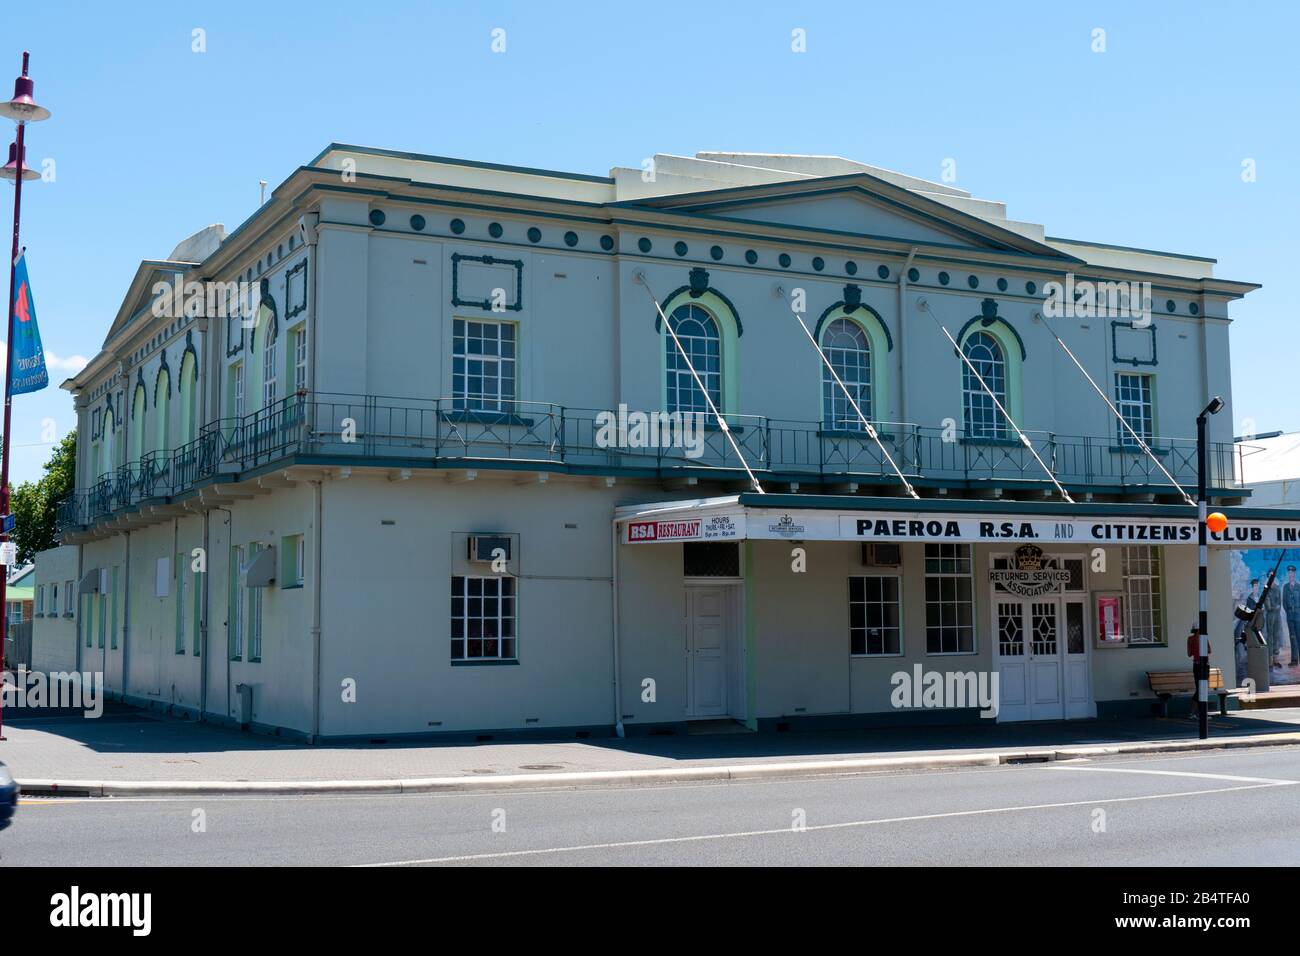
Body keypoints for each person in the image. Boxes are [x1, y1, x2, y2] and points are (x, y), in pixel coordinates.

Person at [1186, 625, 1211, 718]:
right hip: (1204, 664)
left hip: (1196, 664)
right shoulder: (1203, 638)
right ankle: (1199, 712)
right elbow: (1209, 650)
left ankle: (1194, 712)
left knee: (1199, 688)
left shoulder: (1190, 639)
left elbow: (1189, 653)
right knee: (1202, 688)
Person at [1265, 570, 1284, 667]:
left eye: (1273, 575)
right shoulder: (1266, 588)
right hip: (1270, 615)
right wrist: (1273, 607)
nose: (1271, 577)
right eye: (1270, 575)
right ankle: (1270, 661)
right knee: (1270, 637)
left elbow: (1279, 603)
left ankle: (1276, 660)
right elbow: (1267, 606)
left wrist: (1276, 608)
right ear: (1268, 576)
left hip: (1277, 615)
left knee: (1276, 636)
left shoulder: (1277, 588)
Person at [1283, 566, 1300, 668]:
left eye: (1292, 573)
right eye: (1289, 573)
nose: (1290, 575)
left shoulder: (1299, 586)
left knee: (1299, 637)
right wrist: (1289, 611)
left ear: (1294, 574)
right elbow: (1284, 602)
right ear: (1288, 574)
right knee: (1292, 637)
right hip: (1290, 615)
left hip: (1298, 614)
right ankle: (1294, 660)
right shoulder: (1285, 587)